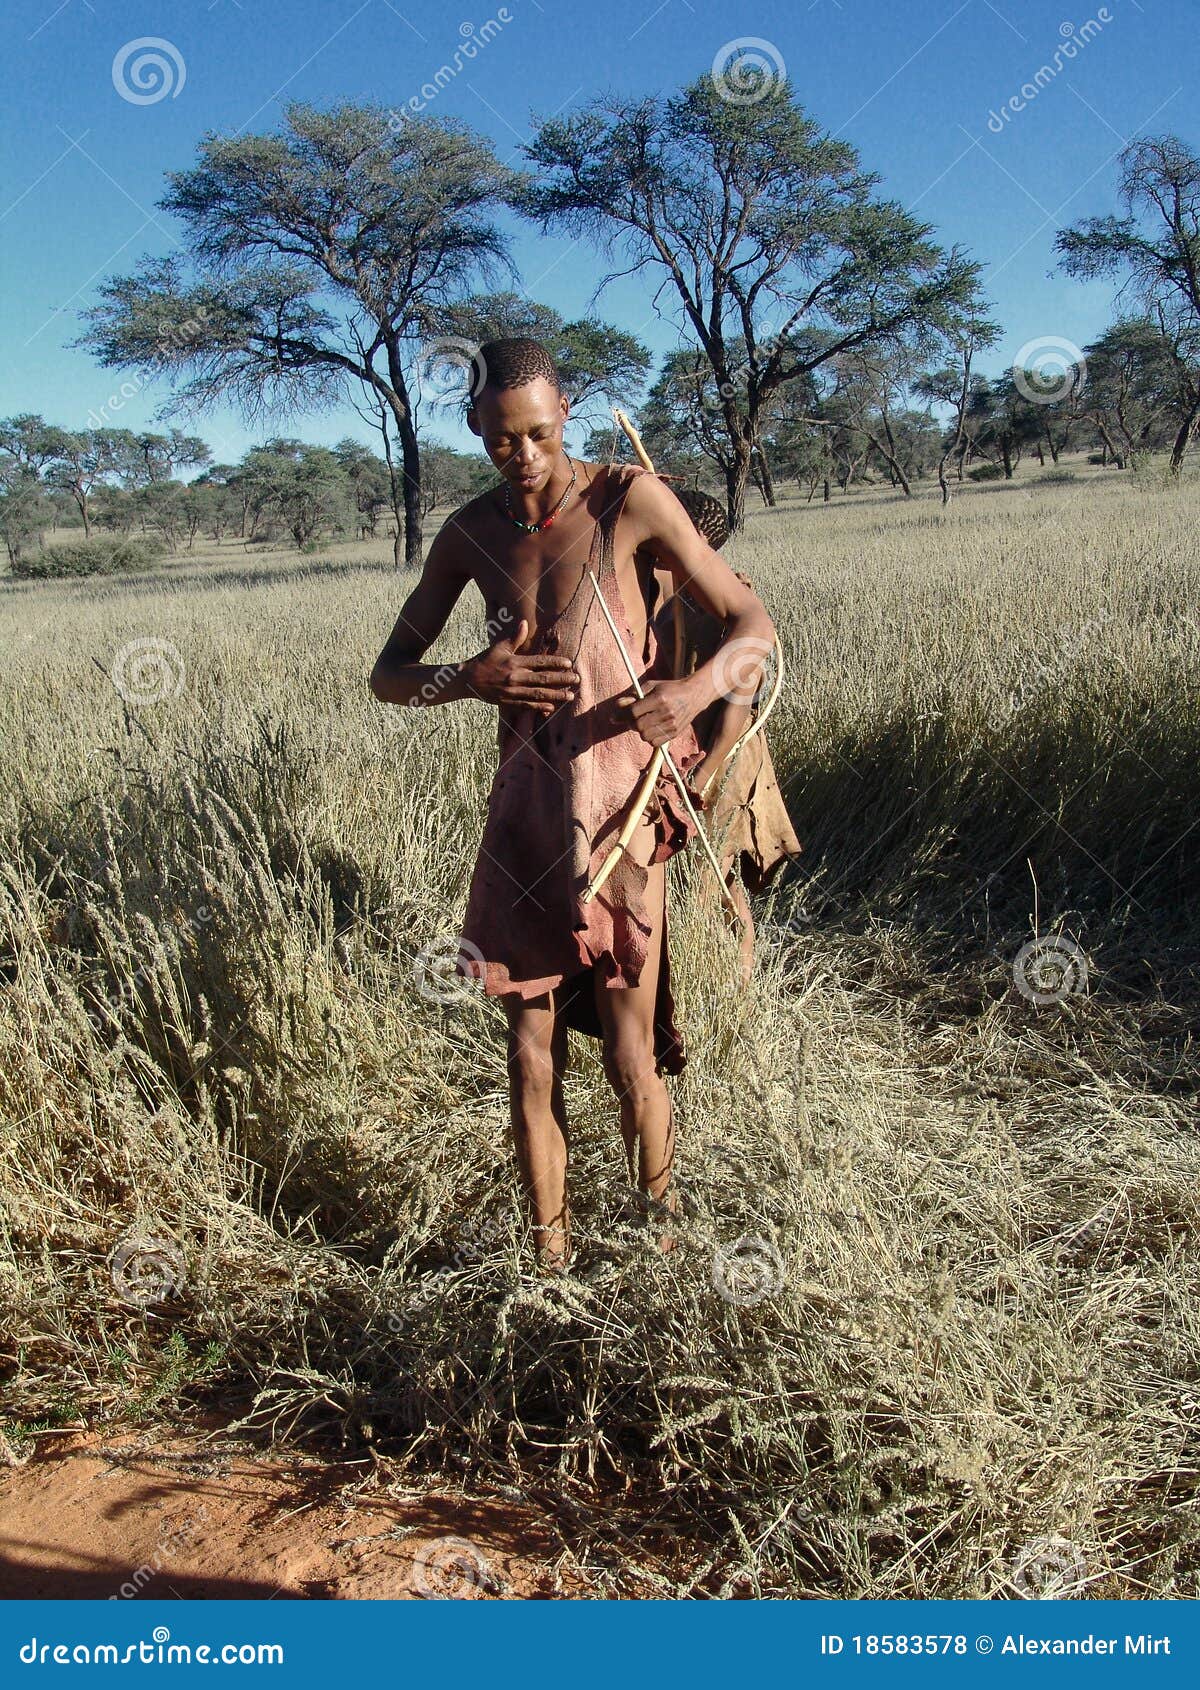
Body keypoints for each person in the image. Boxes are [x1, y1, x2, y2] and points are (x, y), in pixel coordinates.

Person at [369, 338, 776, 1267]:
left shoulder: (628, 501)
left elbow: (754, 627)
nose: (525, 456)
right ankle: (549, 1265)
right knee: (528, 1057)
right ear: (475, 429)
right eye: (503, 439)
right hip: (525, 822)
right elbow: (388, 677)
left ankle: (658, 1241)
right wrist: (468, 680)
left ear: (567, 414)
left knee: (629, 1055)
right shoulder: (469, 534)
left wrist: (696, 691)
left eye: (542, 433)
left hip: (624, 815)